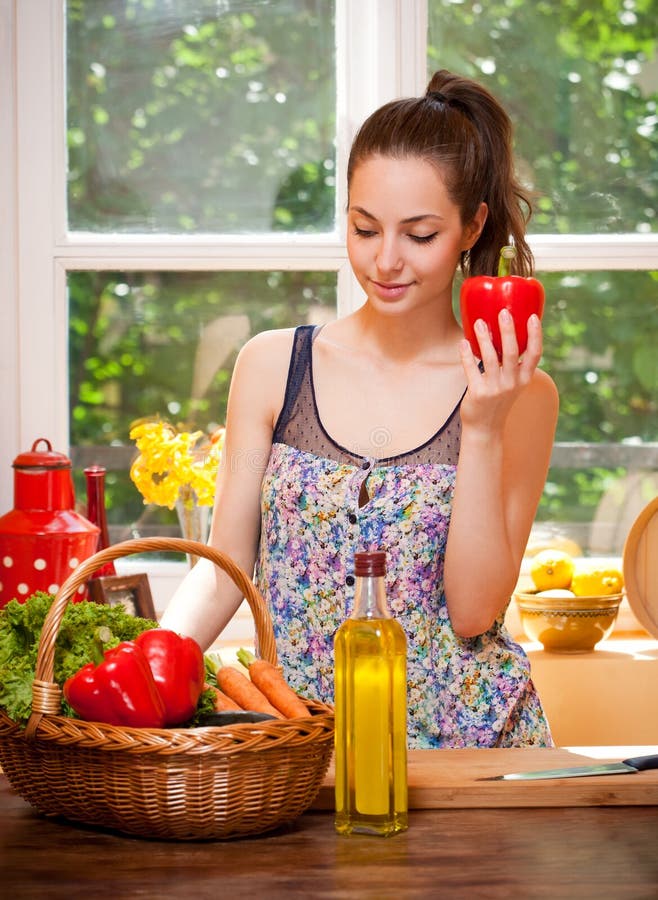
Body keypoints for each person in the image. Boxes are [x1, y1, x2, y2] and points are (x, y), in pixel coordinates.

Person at [161, 69, 559, 749]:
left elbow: (472, 613)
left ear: (472, 227)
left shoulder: (518, 393)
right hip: (297, 750)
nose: (385, 261)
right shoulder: (271, 368)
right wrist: (151, 667)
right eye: (364, 227)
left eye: (419, 235)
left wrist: (484, 426)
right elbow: (224, 562)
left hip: (467, 755)